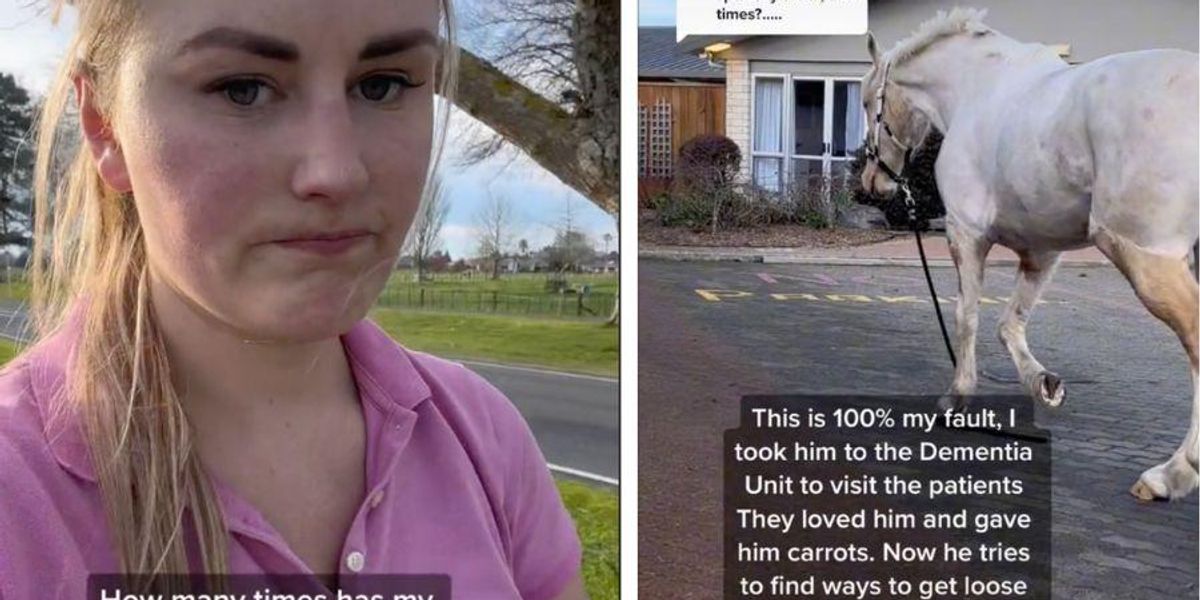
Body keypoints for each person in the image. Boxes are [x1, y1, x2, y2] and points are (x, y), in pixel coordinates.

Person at [0, 0, 586, 598]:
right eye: (243, 89)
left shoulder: (483, 438)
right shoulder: (16, 489)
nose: (336, 172)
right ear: (104, 125)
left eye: (382, 85)